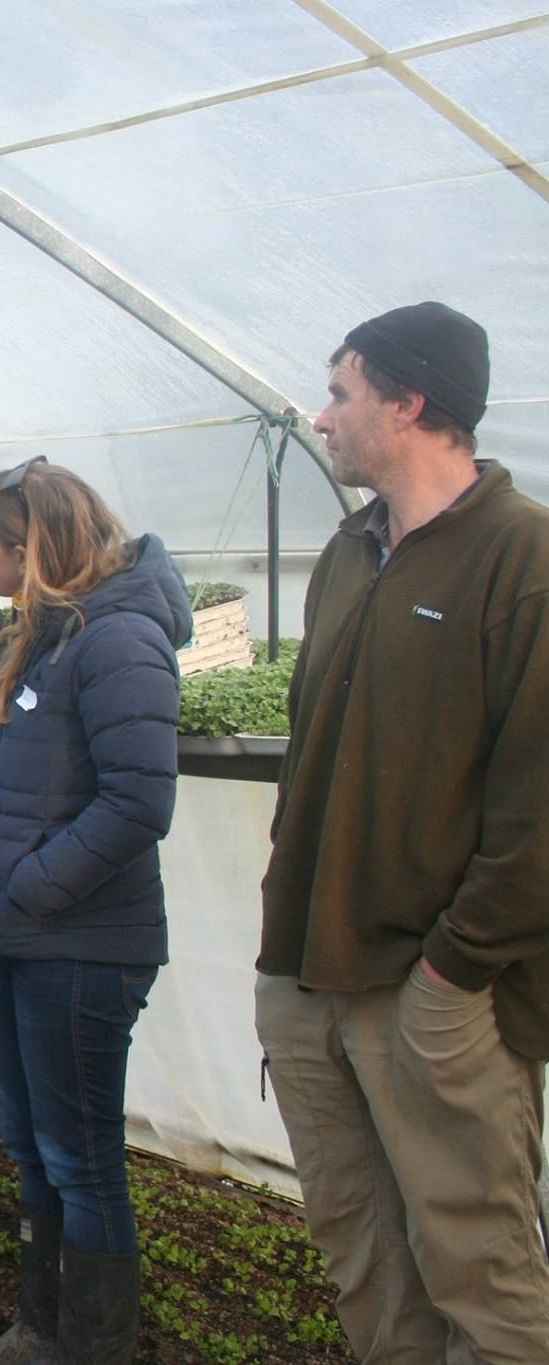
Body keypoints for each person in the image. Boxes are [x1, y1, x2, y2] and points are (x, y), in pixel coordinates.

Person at [257, 303, 549, 1364]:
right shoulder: (349, 551)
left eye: (341, 393)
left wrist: (450, 971)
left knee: (479, 1267)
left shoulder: (523, 559)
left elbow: (537, 811)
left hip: (433, 992)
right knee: (363, 1254)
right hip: (307, 972)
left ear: (409, 404)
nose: (321, 416)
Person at [0, 457, 187, 1365]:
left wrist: (32, 884)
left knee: (82, 1158)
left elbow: (139, 802)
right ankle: (38, 1332)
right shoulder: (49, 636)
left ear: (31, 548)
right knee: (33, 1144)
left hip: (83, 947)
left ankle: (89, 1348)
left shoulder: (119, 641)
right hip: (28, 938)